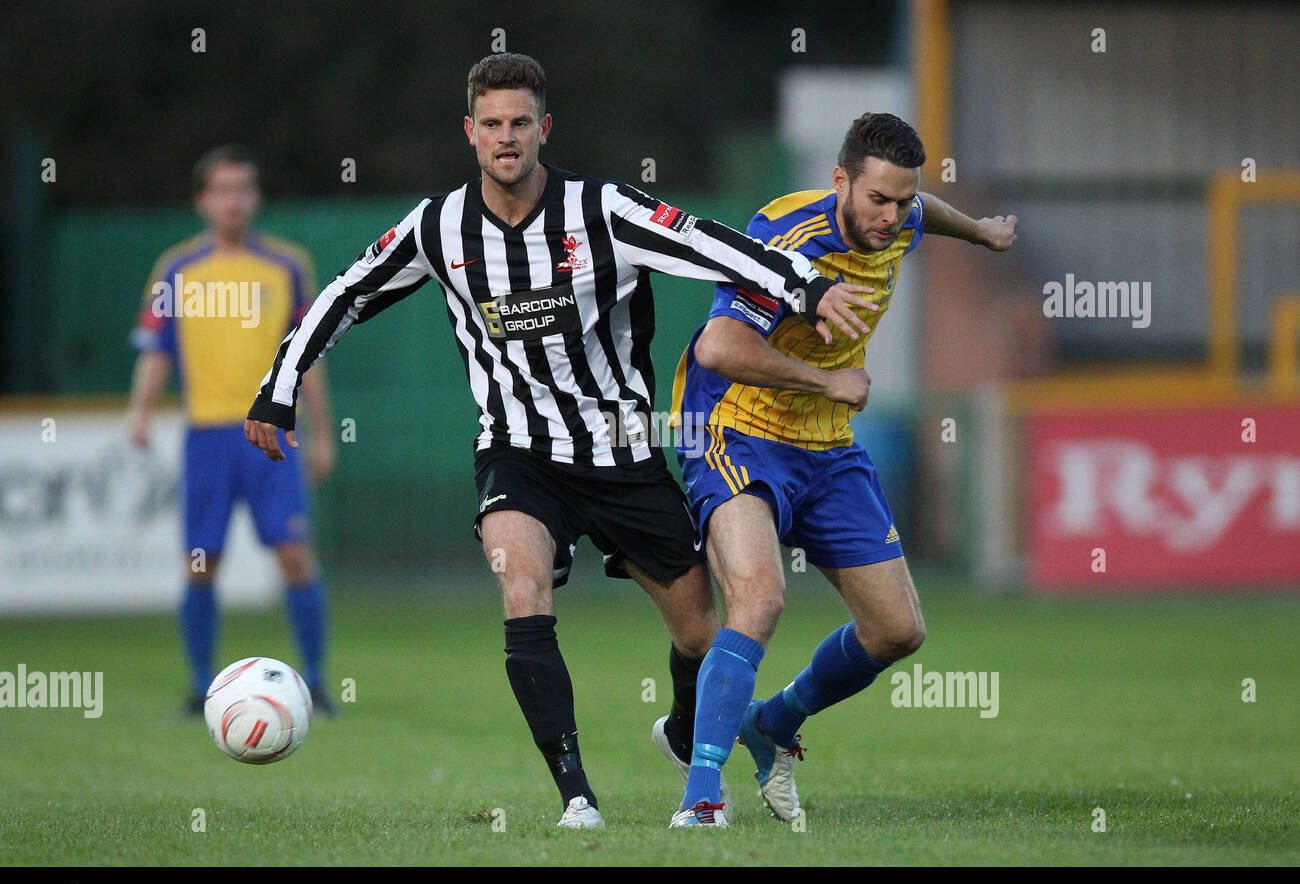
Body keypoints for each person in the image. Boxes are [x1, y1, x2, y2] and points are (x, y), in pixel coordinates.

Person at [243, 53, 873, 829]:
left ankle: (682, 733)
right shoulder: (438, 227)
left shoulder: (603, 212)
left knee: (699, 629)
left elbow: (713, 244)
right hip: (517, 450)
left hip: (622, 450)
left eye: (520, 124)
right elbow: (342, 294)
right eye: (492, 125)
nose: (506, 139)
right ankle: (576, 795)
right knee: (521, 587)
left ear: (544, 129)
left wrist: (803, 286)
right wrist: (278, 392)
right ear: (469, 133)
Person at [668, 112, 1018, 826]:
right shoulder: (783, 236)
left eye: (902, 200)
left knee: (898, 630)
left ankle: (773, 723)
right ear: (839, 182)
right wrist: (826, 380)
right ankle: (702, 790)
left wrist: (980, 230)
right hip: (735, 430)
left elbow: (929, 213)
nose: (892, 218)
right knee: (761, 601)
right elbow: (718, 347)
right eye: (877, 201)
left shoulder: (903, 214)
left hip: (827, 445)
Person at [126, 145, 337, 716]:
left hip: (272, 436)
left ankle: (316, 682)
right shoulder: (177, 269)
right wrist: (140, 412)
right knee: (201, 561)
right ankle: (200, 685)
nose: (234, 200)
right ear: (202, 200)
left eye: (244, 188)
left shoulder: (287, 266)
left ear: (256, 197)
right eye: (222, 189)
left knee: (294, 554)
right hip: (208, 438)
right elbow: (156, 348)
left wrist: (321, 433)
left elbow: (309, 353)